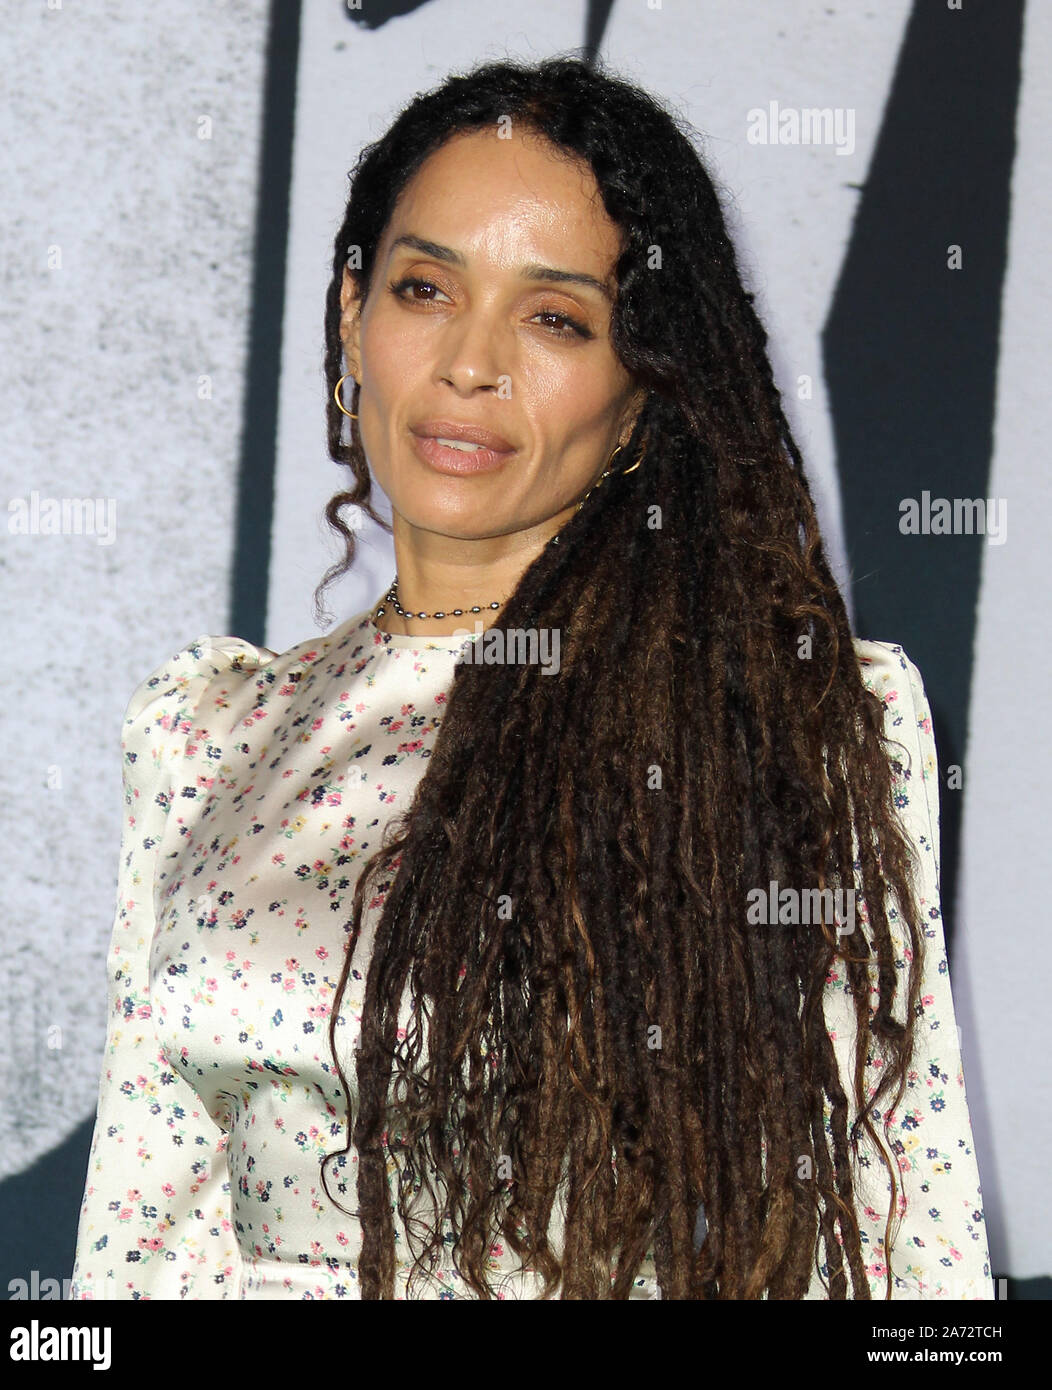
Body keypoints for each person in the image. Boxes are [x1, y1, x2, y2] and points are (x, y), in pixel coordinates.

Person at [70, 54, 992, 1300]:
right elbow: (144, 1226)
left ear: (643, 385)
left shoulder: (797, 722)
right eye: (424, 288)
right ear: (351, 311)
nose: (471, 362)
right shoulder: (207, 735)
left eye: (556, 318)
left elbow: (901, 1216)